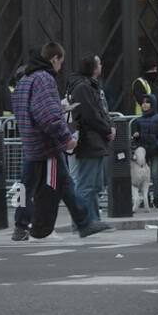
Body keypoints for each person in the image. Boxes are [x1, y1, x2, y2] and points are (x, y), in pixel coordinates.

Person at [11, 43, 112, 241]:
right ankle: (81, 224)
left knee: (29, 187)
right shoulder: (44, 78)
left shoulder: (25, 80)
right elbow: (46, 114)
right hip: (47, 145)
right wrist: (65, 137)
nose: (60, 67)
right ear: (55, 58)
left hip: (31, 143)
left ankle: (21, 225)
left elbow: (26, 111)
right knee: (61, 183)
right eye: (60, 62)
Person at [66, 54, 114, 222]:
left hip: (94, 141)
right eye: (99, 63)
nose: (101, 66)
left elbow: (98, 111)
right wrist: (107, 129)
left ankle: (93, 220)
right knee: (86, 185)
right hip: (89, 141)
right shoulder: (83, 87)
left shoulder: (88, 86)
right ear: (93, 68)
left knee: (93, 185)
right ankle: (83, 222)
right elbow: (91, 114)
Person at [130, 94, 158, 209]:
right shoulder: (138, 121)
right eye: (142, 102)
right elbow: (135, 137)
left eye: (147, 102)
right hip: (143, 152)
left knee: (155, 175)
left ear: (152, 104)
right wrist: (136, 136)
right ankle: (146, 199)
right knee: (143, 177)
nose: (144, 105)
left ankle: (156, 200)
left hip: (155, 150)